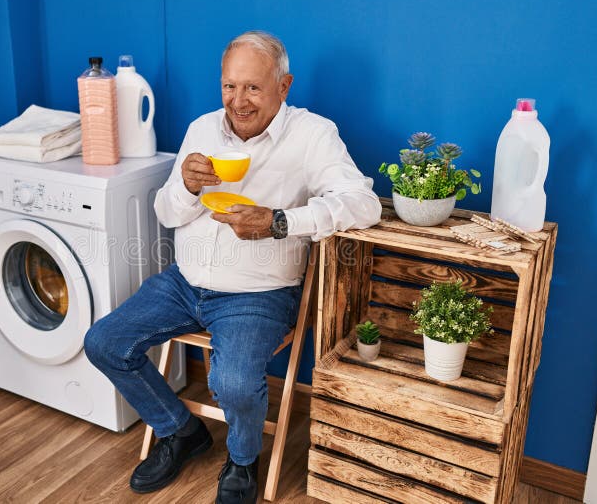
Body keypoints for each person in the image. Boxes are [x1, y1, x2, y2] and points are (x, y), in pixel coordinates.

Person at [84, 30, 381, 504]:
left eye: (253, 88)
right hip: (185, 283)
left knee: (234, 381)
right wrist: (184, 185)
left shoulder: (312, 134)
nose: (237, 102)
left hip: (258, 293)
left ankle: (243, 459)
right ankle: (181, 430)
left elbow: (363, 204)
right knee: (103, 343)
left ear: (284, 86)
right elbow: (166, 213)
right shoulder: (203, 129)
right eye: (229, 86)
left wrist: (280, 221)